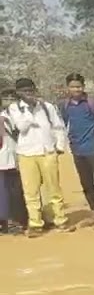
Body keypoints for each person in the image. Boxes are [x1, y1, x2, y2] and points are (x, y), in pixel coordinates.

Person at [5, 78, 72, 236]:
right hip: (27, 153)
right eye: (25, 91)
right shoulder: (15, 109)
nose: (29, 93)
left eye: (31, 90)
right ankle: (35, 223)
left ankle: (60, 219)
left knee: (54, 189)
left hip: (48, 152)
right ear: (19, 93)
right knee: (31, 191)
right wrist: (28, 110)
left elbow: (58, 126)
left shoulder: (47, 107)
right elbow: (21, 127)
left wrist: (60, 146)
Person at [60, 73, 94, 228]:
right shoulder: (65, 105)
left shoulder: (93, 103)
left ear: (83, 87)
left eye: (78, 86)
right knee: (86, 183)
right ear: (68, 88)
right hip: (77, 150)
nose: (76, 89)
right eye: (72, 86)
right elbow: (64, 124)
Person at [0, 92, 27, 235]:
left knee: (17, 192)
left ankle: (20, 219)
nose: (9, 101)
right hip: (2, 161)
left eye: (13, 99)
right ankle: (6, 222)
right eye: (6, 98)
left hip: (18, 158)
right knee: (3, 193)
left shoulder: (18, 115)